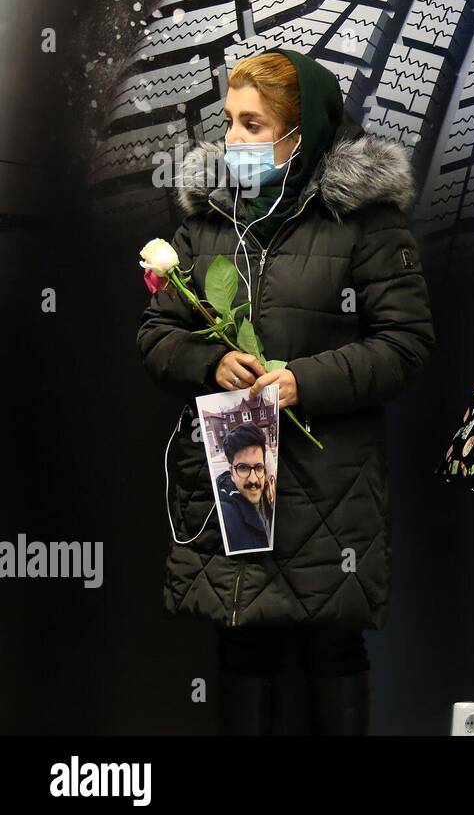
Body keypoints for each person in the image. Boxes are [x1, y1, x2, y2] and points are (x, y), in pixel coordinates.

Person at [137, 48, 436, 735]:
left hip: (331, 483)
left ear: (306, 133)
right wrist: (208, 364)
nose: (233, 140)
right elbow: (157, 337)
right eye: (230, 122)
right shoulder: (208, 218)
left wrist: (307, 380)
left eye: (254, 124)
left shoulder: (367, 221)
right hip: (232, 476)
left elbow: (406, 344)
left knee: (332, 646)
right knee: (241, 640)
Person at [215, 422, 275, 552]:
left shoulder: (269, 494)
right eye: (243, 468)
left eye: (258, 467)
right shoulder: (224, 514)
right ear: (231, 472)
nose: (253, 479)